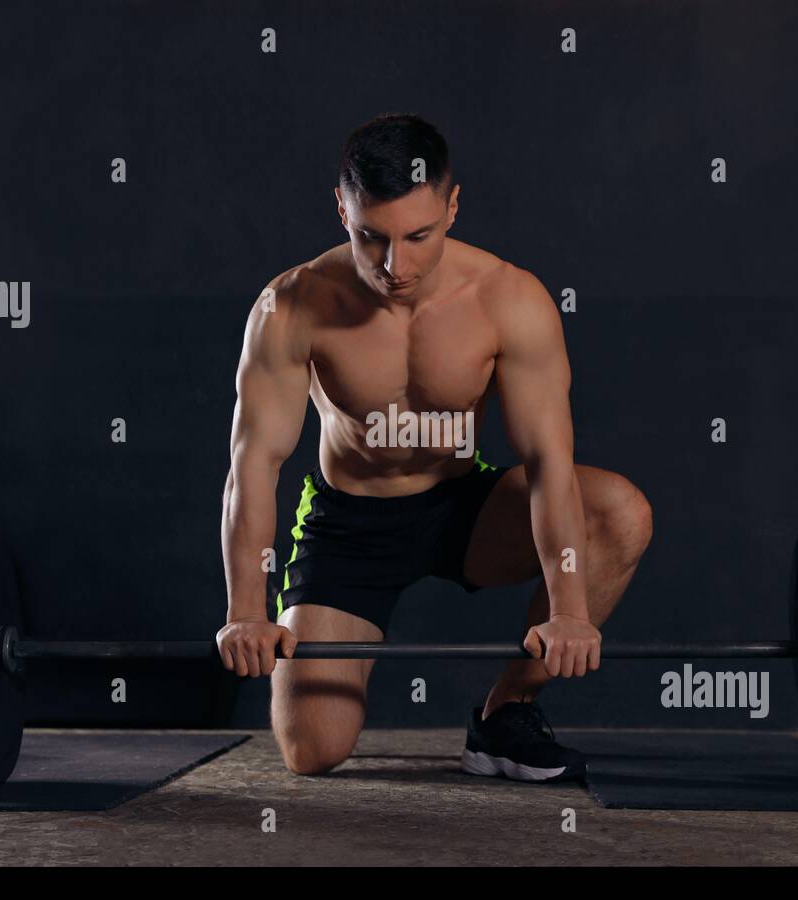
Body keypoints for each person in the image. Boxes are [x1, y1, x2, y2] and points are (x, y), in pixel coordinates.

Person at [217, 113, 653, 782]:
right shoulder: (292, 305)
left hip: (460, 508)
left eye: (418, 237)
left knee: (619, 513)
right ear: (341, 209)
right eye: (373, 238)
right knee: (314, 751)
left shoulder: (510, 299)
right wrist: (246, 609)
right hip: (349, 526)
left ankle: (506, 712)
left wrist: (569, 609)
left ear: (452, 205)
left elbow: (548, 464)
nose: (397, 265)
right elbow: (253, 464)